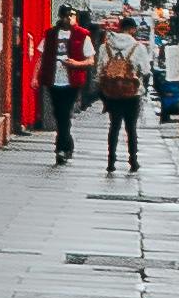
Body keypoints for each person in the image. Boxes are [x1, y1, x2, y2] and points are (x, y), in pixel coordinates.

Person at [94, 20, 143, 174]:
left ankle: (111, 161)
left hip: (112, 92)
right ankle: (133, 160)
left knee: (114, 125)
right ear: (133, 29)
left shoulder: (105, 47)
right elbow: (145, 69)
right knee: (131, 128)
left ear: (119, 28)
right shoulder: (138, 47)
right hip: (132, 92)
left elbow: (99, 70)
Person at [43, 9, 92, 161]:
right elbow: (42, 56)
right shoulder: (51, 34)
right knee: (59, 114)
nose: (68, 19)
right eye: (65, 16)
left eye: (71, 16)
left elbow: (91, 60)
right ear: (60, 17)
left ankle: (61, 149)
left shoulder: (82, 34)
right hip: (53, 80)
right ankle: (67, 146)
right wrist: (35, 77)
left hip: (72, 81)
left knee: (64, 113)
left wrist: (76, 63)